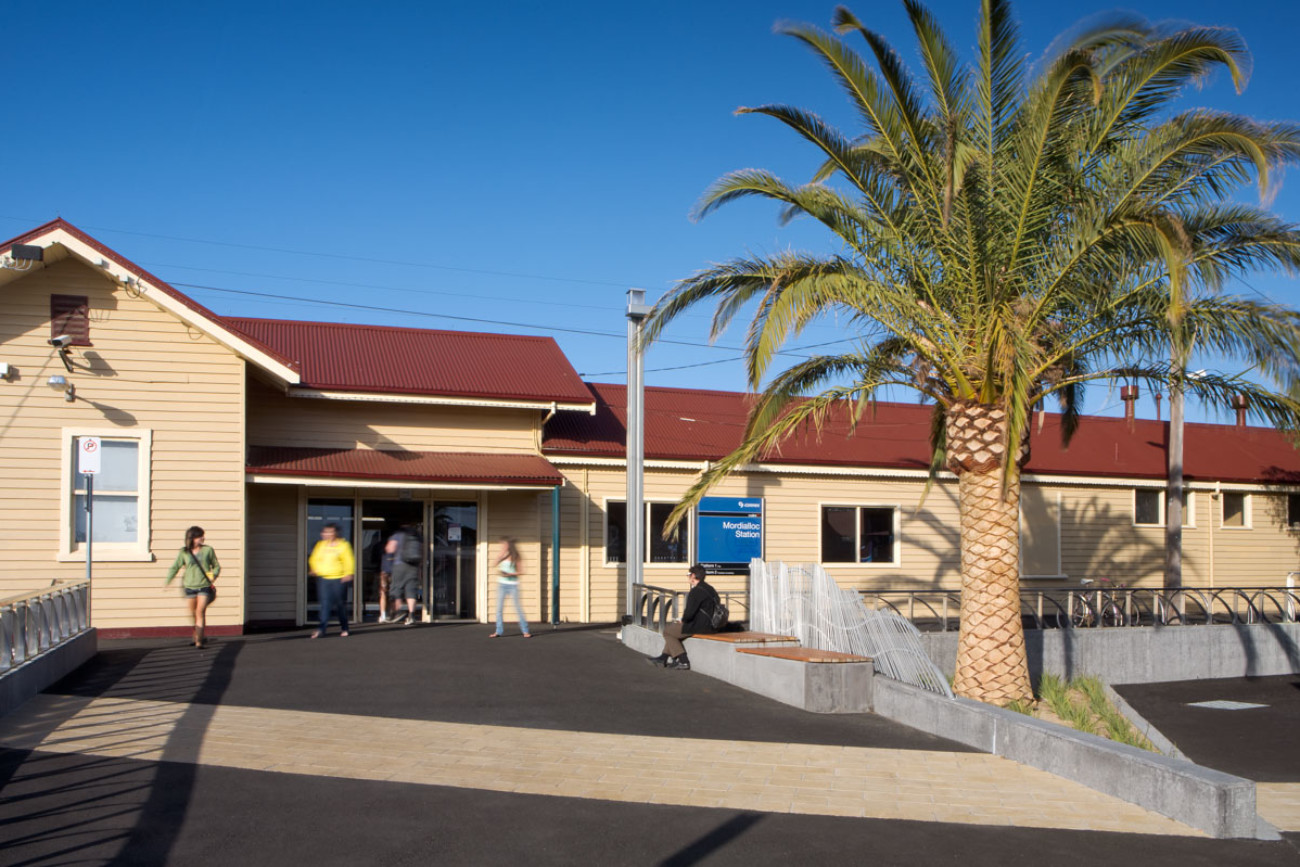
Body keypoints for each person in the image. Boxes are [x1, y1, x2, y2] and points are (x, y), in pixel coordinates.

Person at [647, 564, 719, 670]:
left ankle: (683, 661)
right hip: (710, 625)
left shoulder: (696, 591)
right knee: (672, 632)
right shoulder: (710, 589)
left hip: (698, 626)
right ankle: (663, 658)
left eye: (688, 575)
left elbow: (689, 613)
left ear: (693, 576)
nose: (688, 577)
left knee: (667, 631)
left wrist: (683, 620)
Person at [164, 525, 220, 648]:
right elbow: (175, 566)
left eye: (203, 536)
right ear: (192, 538)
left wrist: (212, 575)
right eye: (200, 536)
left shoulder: (208, 550)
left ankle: (199, 642)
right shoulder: (183, 552)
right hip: (189, 586)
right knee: (193, 613)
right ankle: (197, 636)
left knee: (200, 612)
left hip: (204, 586)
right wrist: (168, 580)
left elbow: (216, 566)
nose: (203, 538)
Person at [308, 522, 355, 638]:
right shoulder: (320, 545)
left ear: (335, 533)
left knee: (340, 605)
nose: (327, 534)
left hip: (339, 579)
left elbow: (349, 560)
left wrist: (348, 573)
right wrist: (314, 569)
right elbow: (314, 558)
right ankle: (321, 629)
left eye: (330, 532)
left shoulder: (343, 545)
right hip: (324, 579)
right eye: (325, 532)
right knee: (325, 604)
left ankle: (345, 627)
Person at [490, 538, 531, 638]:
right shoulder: (502, 556)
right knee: (499, 609)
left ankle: (525, 631)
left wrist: (510, 574)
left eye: (504, 545)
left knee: (518, 608)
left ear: (509, 545)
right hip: (501, 585)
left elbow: (521, 571)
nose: (503, 547)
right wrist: (501, 554)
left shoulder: (516, 556)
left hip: (513, 585)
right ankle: (498, 631)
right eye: (502, 545)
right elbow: (494, 564)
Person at [386, 523, 423, 626]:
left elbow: (390, 548)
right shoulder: (417, 537)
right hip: (414, 566)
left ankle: (397, 613)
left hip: (400, 565)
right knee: (411, 590)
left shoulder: (397, 535)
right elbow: (422, 551)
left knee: (396, 588)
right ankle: (411, 616)